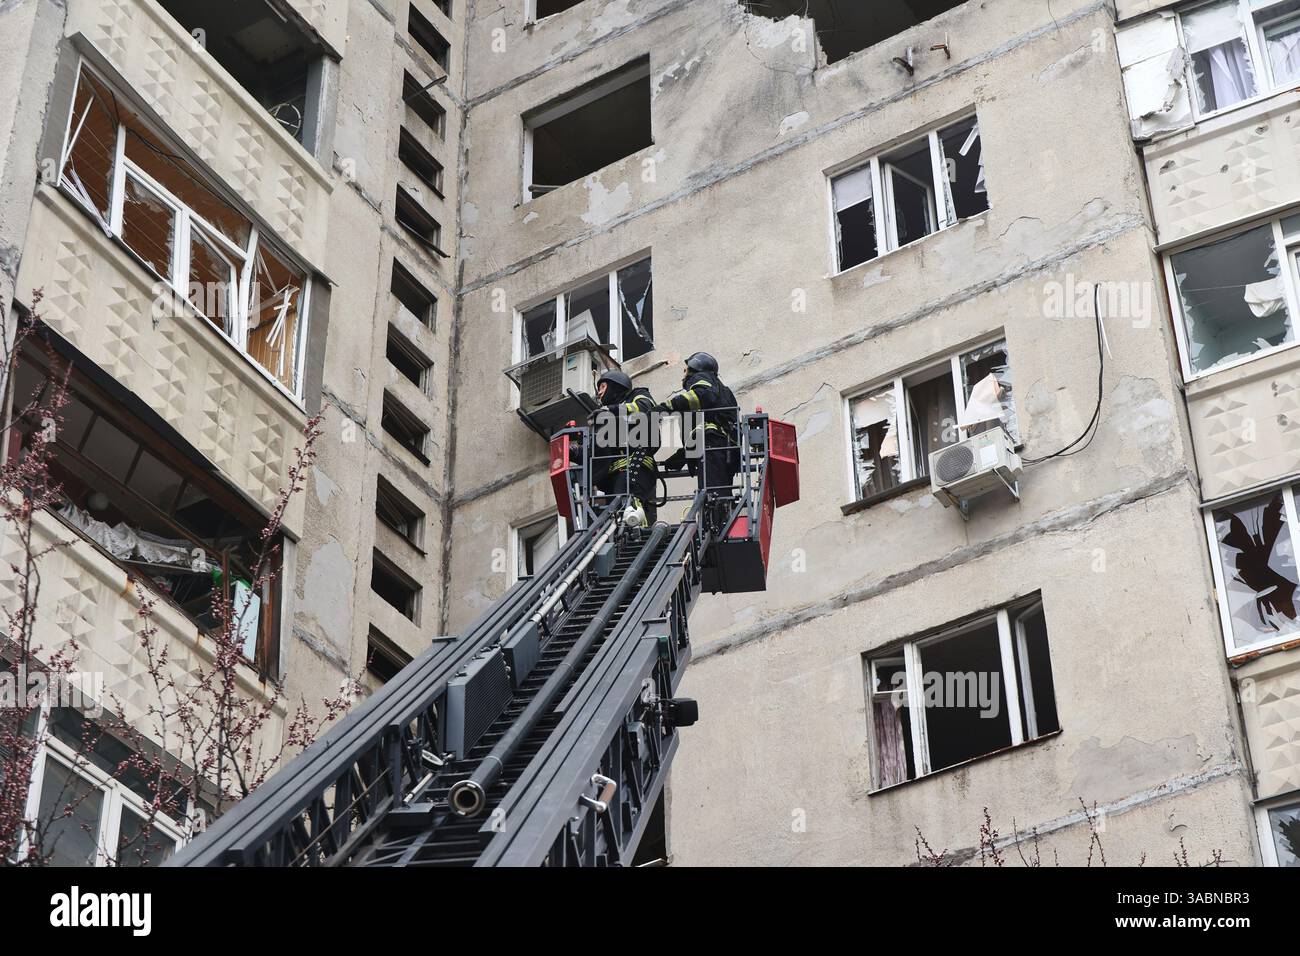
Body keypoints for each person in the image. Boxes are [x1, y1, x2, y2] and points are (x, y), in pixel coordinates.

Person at [658, 352, 739, 497]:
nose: (683, 374)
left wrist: (666, 407)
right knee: (721, 495)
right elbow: (706, 424)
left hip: (713, 447)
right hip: (725, 449)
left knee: (713, 498)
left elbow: (703, 395)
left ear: (695, 366)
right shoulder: (723, 390)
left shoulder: (702, 378)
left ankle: (716, 518)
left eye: (685, 369)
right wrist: (683, 455)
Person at [587, 369, 659, 527]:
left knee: (627, 506)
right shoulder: (606, 419)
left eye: (603, 387)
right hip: (613, 476)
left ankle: (640, 535)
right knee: (617, 514)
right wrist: (576, 451)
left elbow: (646, 407)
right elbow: (598, 450)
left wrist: (611, 410)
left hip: (635, 466)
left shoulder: (638, 395)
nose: (599, 393)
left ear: (615, 386)